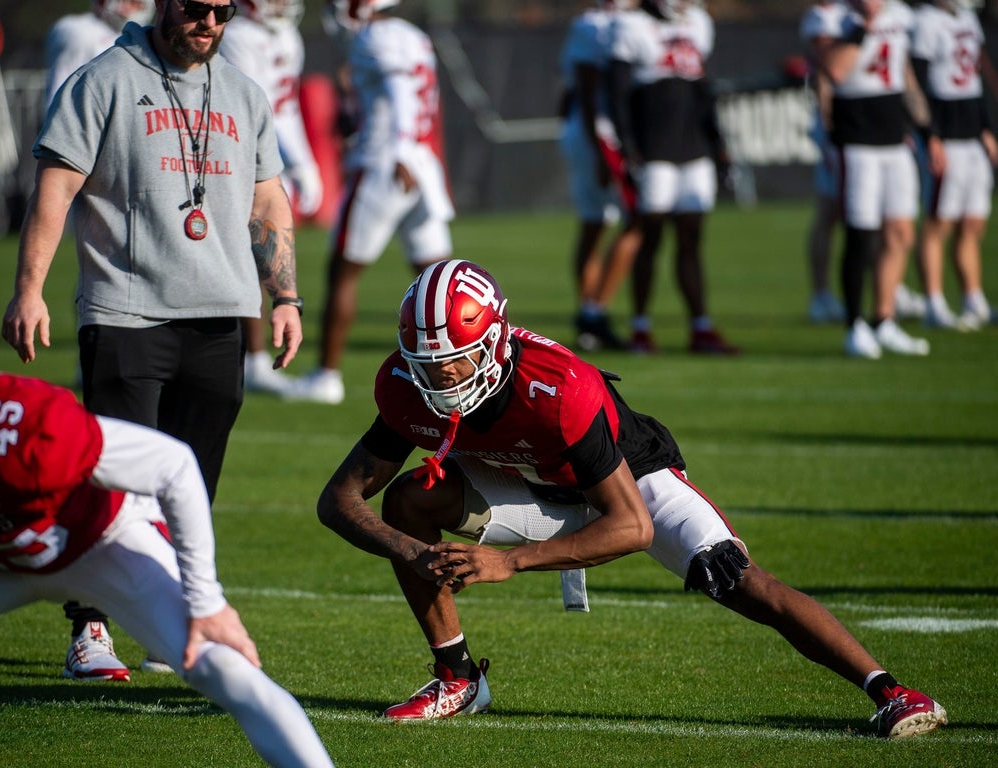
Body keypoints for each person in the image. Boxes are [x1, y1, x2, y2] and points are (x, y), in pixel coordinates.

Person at [316, 258, 947, 739]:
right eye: (427, 365)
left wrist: (508, 562)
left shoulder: (558, 388)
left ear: (493, 342)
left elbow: (630, 526)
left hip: (629, 484)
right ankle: (457, 678)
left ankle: (891, 690)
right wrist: (411, 551)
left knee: (736, 578)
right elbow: (339, 500)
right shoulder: (409, 386)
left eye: (452, 362)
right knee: (410, 501)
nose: (439, 379)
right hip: (530, 484)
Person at [0, 283, 333, 768]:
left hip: (97, 544)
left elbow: (173, 465)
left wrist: (207, 600)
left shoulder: (23, 427)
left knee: (222, 666)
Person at [2, 0, 302, 681]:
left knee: (190, 488)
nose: (209, 22)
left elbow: (267, 202)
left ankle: (168, 628)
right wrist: (29, 290)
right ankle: (90, 627)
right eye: (196, 8)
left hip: (220, 318)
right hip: (124, 314)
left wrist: (284, 297)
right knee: (112, 483)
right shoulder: (102, 78)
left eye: (222, 11)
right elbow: (56, 189)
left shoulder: (242, 91)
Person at [287, 0, 454, 405]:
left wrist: (399, 149)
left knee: (343, 270)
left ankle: (326, 375)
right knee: (437, 280)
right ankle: (466, 370)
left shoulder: (375, 37)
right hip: (420, 163)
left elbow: (401, 93)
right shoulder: (411, 35)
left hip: (386, 163)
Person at [807, 0, 943, 358]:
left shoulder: (899, 15)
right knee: (860, 235)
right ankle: (855, 325)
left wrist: (929, 133)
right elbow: (834, 70)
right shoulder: (834, 18)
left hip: (894, 138)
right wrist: (866, 23)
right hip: (856, 141)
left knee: (901, 233)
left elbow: (906, 76)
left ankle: (883, 318)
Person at [607, 0, 739, 355]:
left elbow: (703, 89)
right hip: (653, 149)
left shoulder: (696, 21)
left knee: (691, 240)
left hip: (693, 147)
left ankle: (701, 326)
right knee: (649, 238)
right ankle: (640, 327)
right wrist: (627, 147)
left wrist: (719, 143)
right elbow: (617, 94)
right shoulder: (630, 25)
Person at [220, 0, 324, 395]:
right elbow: (255, 107)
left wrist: (304, 161)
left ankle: (255, 360)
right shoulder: (240, 35)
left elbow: (287, 107)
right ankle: (253, 360)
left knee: (258, 252)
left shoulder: (286, 34)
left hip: (264, 151)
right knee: (244, 256)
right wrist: (292, 160)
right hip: (236, 149)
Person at [558, 0, 642, 353]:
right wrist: (599, 150)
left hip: (594, 130)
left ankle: (590, 318)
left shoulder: (605, 24)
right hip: (601, 133)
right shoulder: (596, 25)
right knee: (637, 220)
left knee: (595, 224)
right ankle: (594, 314)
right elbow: (586, 86)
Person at [910, 0, 998, 330]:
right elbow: (917, 82)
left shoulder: (967, 18)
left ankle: (973, 299)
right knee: (939, 223)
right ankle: (934, 302)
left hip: (971, 134)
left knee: (973, 223)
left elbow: (973, 80)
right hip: (945, 135)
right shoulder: (924, 22)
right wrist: (929, 134)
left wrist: (987, 128)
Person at [799, 1, 848, 325]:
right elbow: (824, 70)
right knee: (831, 211)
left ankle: (893, 287)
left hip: (871, 122)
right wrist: (831, 129)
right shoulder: (825, 14)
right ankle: (820, 294)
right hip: (841, 129)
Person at [44, 0, 156, 114]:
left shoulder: (136, 38)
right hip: (78, 115)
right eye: (122, 1)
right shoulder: (79, 30)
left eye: (135, 4)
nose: (125, 9)